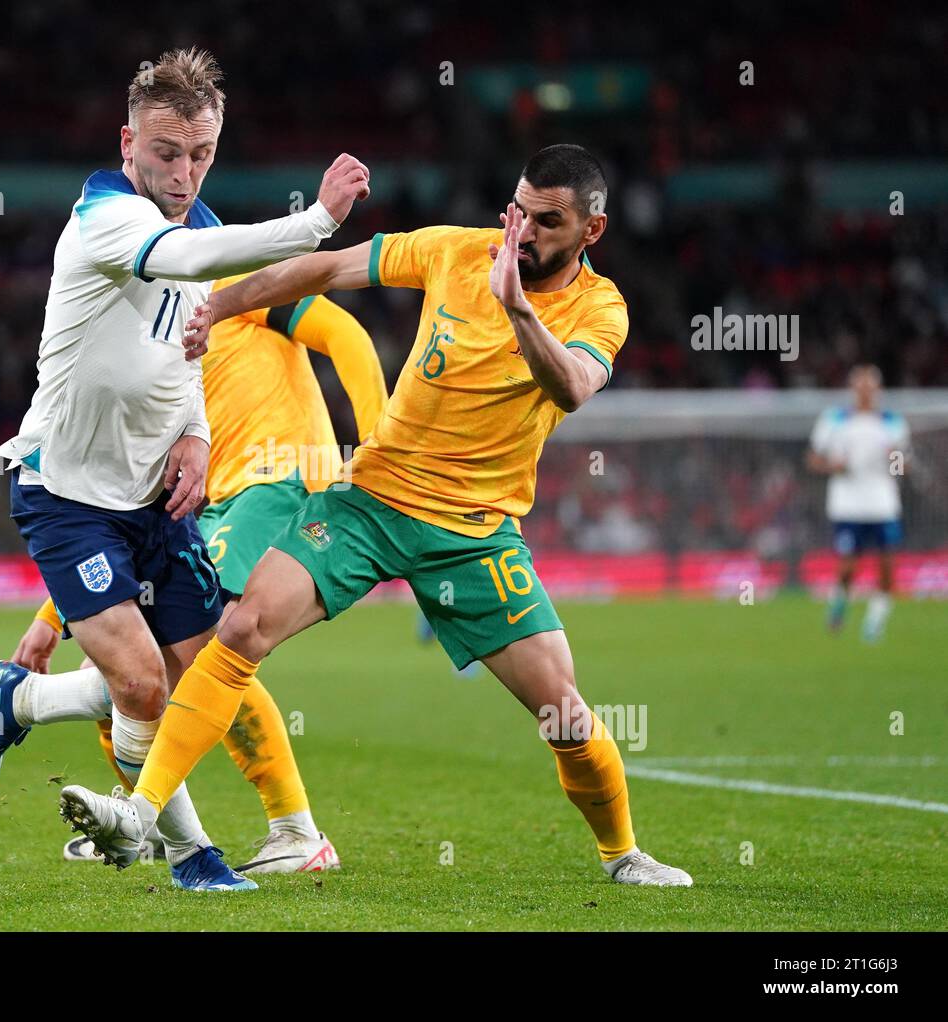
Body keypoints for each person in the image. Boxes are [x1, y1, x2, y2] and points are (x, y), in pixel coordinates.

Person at [60, 144, 693, 888]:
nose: (523, 232)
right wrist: (220, 304)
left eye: (547, 221)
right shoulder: (454, 251)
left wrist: (518, 308)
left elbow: (573, 388)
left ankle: (623, 855)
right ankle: (144, 813)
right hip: (371, 500)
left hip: (473, 533)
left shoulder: (600, 307)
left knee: (565, 717)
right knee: (238, 629)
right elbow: (326, 269)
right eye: (518, 211)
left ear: (593, 230)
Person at [0, 47, 369, 892]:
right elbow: (194, 268)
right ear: (127, 145)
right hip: (67, 497)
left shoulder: (198, 227)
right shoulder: (107, 221)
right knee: (144, 683)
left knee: (204, 666)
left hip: (157, 498)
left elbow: (184, 356)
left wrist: (195, 435)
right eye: (167, 154)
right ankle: (191, 855)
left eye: (202, 156)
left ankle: (24, 703)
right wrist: (317, 222)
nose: (184, 174)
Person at [13, 272, 386, 873]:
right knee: (121, 661)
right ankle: (156, 825)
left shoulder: (230, 286)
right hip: (210, 505)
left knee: (212, 650)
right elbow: (121, 516)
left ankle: (296, 831)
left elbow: (345, 334)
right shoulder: (137, 340)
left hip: (274, 479)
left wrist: (376, 446)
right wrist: (53, 616)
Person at [807, 365, 909, 642]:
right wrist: (833, 466)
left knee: (887, 565)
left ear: (878, 389)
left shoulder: (892, 423)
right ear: (853, 388)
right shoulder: (834, 419)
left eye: (870, 386)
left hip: (882, 503)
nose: (865, 391)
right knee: (848, 567)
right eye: (860, 386)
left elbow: (903, 467)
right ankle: (839, 603)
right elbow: (814, 459)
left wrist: (895, 460)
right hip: (848, 503)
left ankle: (875, 621)